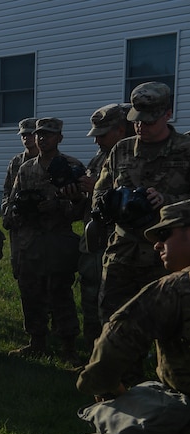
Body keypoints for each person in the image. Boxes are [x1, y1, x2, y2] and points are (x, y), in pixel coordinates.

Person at [58, 198, 190, 434]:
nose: (156, 244)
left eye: (166, 233)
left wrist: (106, 387)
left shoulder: (175, 289)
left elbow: (113, 345)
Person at [94, 82, 190, 327]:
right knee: (113, 320)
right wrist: (108, 202)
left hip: (168, 256)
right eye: (136, 120)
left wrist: (166, 202)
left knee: (167, 325)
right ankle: (113, 366)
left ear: (167, 114)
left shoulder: (185, 151)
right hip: (123, 251)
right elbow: (100, 191)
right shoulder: (121, 150)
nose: (140, 126)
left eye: (148, 121)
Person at [4, 117, 86, 364]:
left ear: (59, 138)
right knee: (30, 293)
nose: (41, 138)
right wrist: (20, 211)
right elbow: (14, 199)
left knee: (60, 294)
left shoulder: (72, 166)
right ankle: (36, 341)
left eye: (48, 134)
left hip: (58, 239)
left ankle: (68, 347)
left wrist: (59, 205)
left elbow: (82, 208)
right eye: (39, 134)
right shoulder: (26, 168)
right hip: (30, 241)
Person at [77, 103, 133, 350]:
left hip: (127, 245)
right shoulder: (100, 158)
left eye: (101, 135)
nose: (96, 141)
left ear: (120, 131)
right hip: (96, 242)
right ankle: (94, 354)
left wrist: (102, 191)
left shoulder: (137, 157)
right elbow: (87, 205)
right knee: (91, 296)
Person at [1, 117, 38, 279]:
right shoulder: (16, 162)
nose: (26, 138)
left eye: (30, 134)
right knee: (20, 266)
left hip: (40, 224)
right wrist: (7, 210)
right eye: (23, 135)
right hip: (19, 224)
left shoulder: (48, 161)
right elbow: (7, 190)